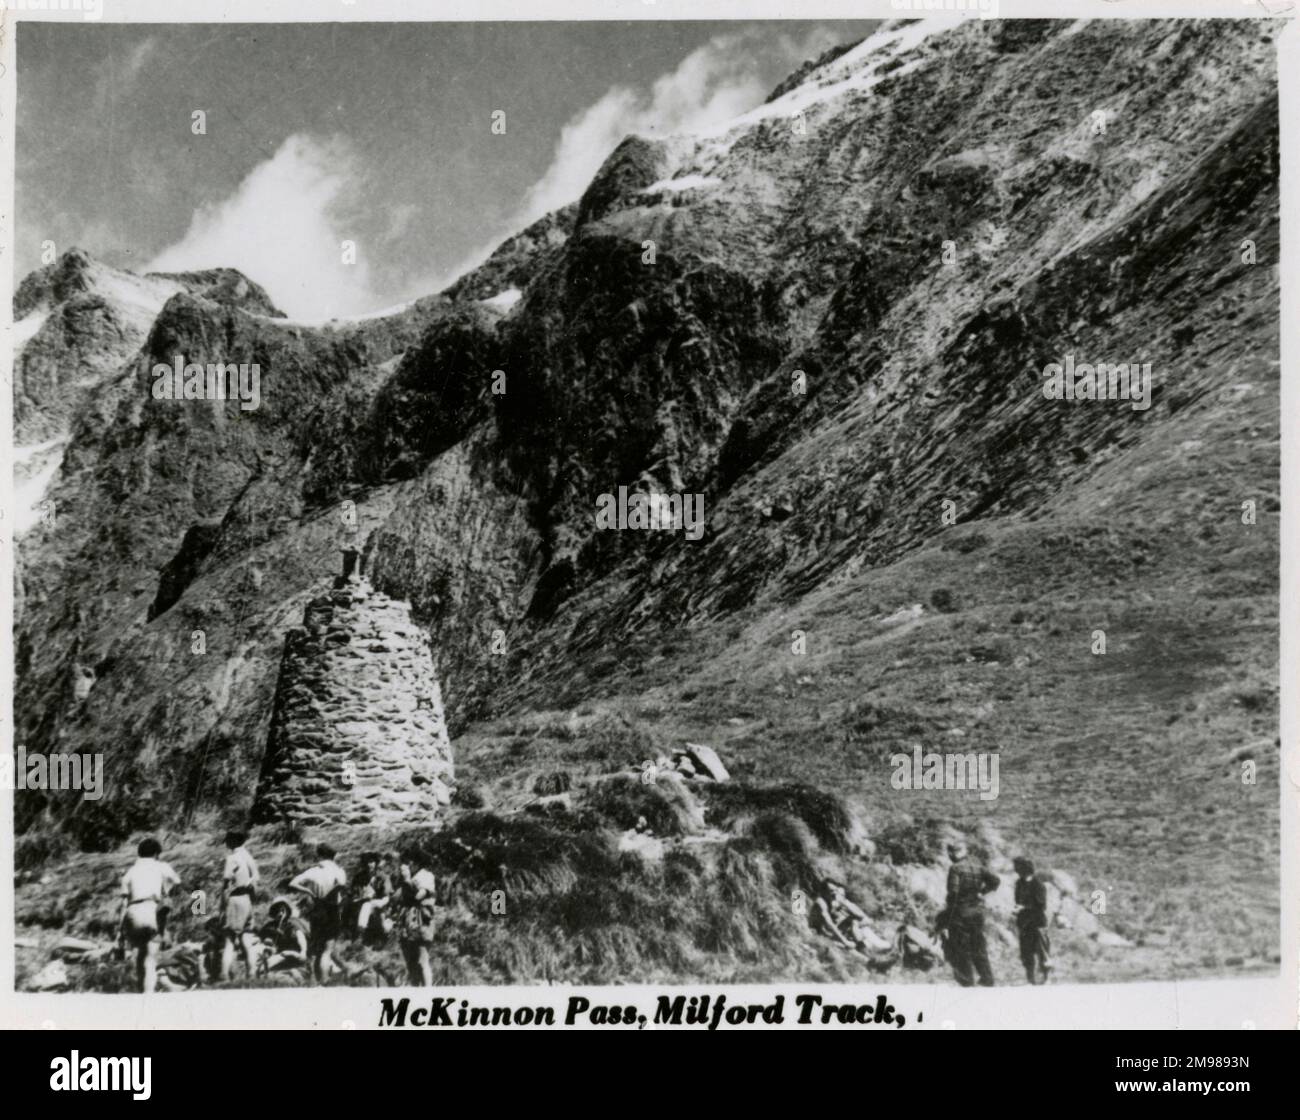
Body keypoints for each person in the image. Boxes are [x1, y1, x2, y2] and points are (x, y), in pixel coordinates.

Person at [118, 837, 181, 993]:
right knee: (151, 957)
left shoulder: (130, 872)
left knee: (139, 953)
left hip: (133, 913)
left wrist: (120, 931)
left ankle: (140, 991)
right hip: (152, 912)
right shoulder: (161, 866)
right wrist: (167, 892)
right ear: (156, 853)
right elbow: (177, 882)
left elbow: (123, 904)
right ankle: (148, 993)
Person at [936, 840, 999, 987]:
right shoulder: (978, 866)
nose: (951, 855)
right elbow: (995, 881)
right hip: (977, 912)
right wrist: (981, 893)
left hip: (960, 913)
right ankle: (987, 978)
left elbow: (953, 893)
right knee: (979, 946)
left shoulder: (955, 868)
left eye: (952, 852)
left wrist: (947, 914)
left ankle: (967, 981)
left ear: (954, 853)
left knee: (961, 948)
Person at [290, 844, 348, 982]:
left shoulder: (314, 871)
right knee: (327, 950)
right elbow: (341, 888)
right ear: (333, 856)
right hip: (332, 910)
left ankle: (317, 981)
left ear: (319, 856)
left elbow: (293, 883)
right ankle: (324, 981)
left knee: (318, 950)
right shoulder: (339, 871)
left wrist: (308, 891)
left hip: (317, 910)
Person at [813, 878, 895, 958]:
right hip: (821, 934)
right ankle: (868, 951)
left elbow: (862, 917)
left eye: (835, 890)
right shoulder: (821, 902)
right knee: (853, 924)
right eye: (830, 891)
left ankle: (874, 948)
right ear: (823, 892)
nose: (834, 893)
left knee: (855, 922)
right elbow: (830, 924)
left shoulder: (835, 900)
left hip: (837, 931)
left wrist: (844, 902)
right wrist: (845, 941)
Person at [219, 830, 260, 981]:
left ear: (232, 842)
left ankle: (224, 975)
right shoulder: (248, 856)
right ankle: (252, 973)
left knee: (229, 940)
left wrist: (222, 906)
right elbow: (256, 877)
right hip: (247, 899)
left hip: (235, 898)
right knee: (246, 939)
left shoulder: (232, 858)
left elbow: (226, 882)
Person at [395, 851, 438, 986]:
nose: (409, 865)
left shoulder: (425, 876)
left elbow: (419, 896)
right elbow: (397, 898)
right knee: (411, 961)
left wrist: (407, 881)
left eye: (410, 862)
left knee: (422, 960)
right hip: (410, 922)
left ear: (417, 862)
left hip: (422, 921)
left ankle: (428, 991)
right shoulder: (412, 877)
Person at [1013, 856, 1051, 984]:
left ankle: (1046, 978)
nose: (1016, 869)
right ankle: (1031, 979)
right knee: (1026, 952)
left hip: (1037, 922)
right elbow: (1017, 901)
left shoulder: (1038, 885)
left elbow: (1041, 905)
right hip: (1024, 923)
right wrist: (1018, 908)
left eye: (1018, 867)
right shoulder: (1019, 884)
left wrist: (1023, 907)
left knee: (1042, 952)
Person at [260, 897, 311, 977]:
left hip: (293, 955)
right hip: (278, 955)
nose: (280, 914)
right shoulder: (269, 926)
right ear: (273, 913)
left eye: (282, 911)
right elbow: (263, 939)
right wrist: (268, 944)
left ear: (287, 911)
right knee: (263, 969)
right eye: (277, 911)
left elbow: (300, 937)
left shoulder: (292, 924)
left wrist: (303, 951)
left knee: (289, 955)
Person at [352, 852, 393, 944]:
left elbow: (387, 895)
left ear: (375, 863)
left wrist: (376, 898)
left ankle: (363, 931)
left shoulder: (382, 877)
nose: (369, 865)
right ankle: (360, 933)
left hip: (379, 904)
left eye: (371, 862)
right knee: (365, 905)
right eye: (366, 862)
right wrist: (362, 896)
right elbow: (354, 893)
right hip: (361, 903)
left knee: (370, 906)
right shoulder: (358, 877)